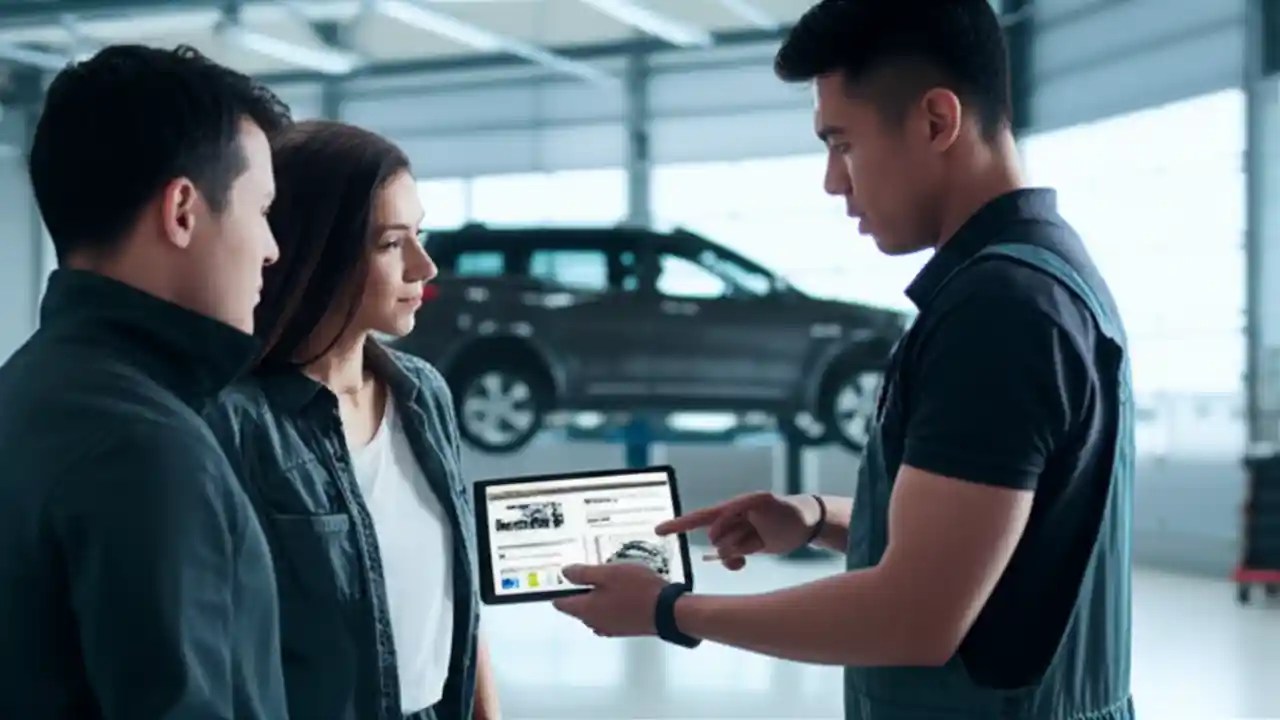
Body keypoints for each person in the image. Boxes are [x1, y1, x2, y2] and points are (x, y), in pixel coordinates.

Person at [551, 1, 1136, 719]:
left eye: (842, 142)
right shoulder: (1044, 274)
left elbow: (914, 616)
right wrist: (816, 516)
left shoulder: (1000, 311)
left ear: (935, 121)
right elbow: (989, 530)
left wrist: (672, 610)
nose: (833, 181)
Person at [0, 45, 292, 719]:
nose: (272, 247)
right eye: (262, 209)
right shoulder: (145, 448)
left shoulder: (28, 392)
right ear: (183, 210)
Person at [204, 120, 501, 720]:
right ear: (320, 252)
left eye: (421, 235)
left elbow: (455, 596)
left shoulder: (425, 394)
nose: (425, 267)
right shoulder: (234, 422)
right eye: (392, 244)